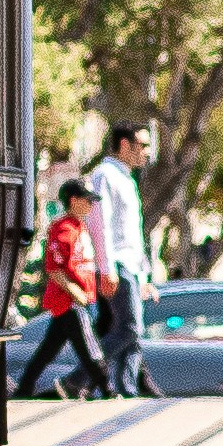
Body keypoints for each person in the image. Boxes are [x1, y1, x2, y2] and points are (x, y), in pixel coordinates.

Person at [18, 182, 106, 400]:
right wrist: (76, 293)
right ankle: (108, 387)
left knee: (49, 349)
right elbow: (54, 269)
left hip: (79, 300)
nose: (91, 205)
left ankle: (24, 389)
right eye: (87, 200)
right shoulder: (63, 228)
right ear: (73, 201)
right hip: (70, 302)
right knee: (90, 348)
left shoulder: (80, 227)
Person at [90, 122, 150, 396]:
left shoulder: (128, 179)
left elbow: (134, 233)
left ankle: (126, 388)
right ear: (125, 145)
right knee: (130, 328)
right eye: (142, 145)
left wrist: (144, 276)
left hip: (131, 266)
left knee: (132, 336)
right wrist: (107, 268)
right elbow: (100, 224)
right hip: (116, 265)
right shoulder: (104, 175)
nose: (147, 152)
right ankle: (78, 377)